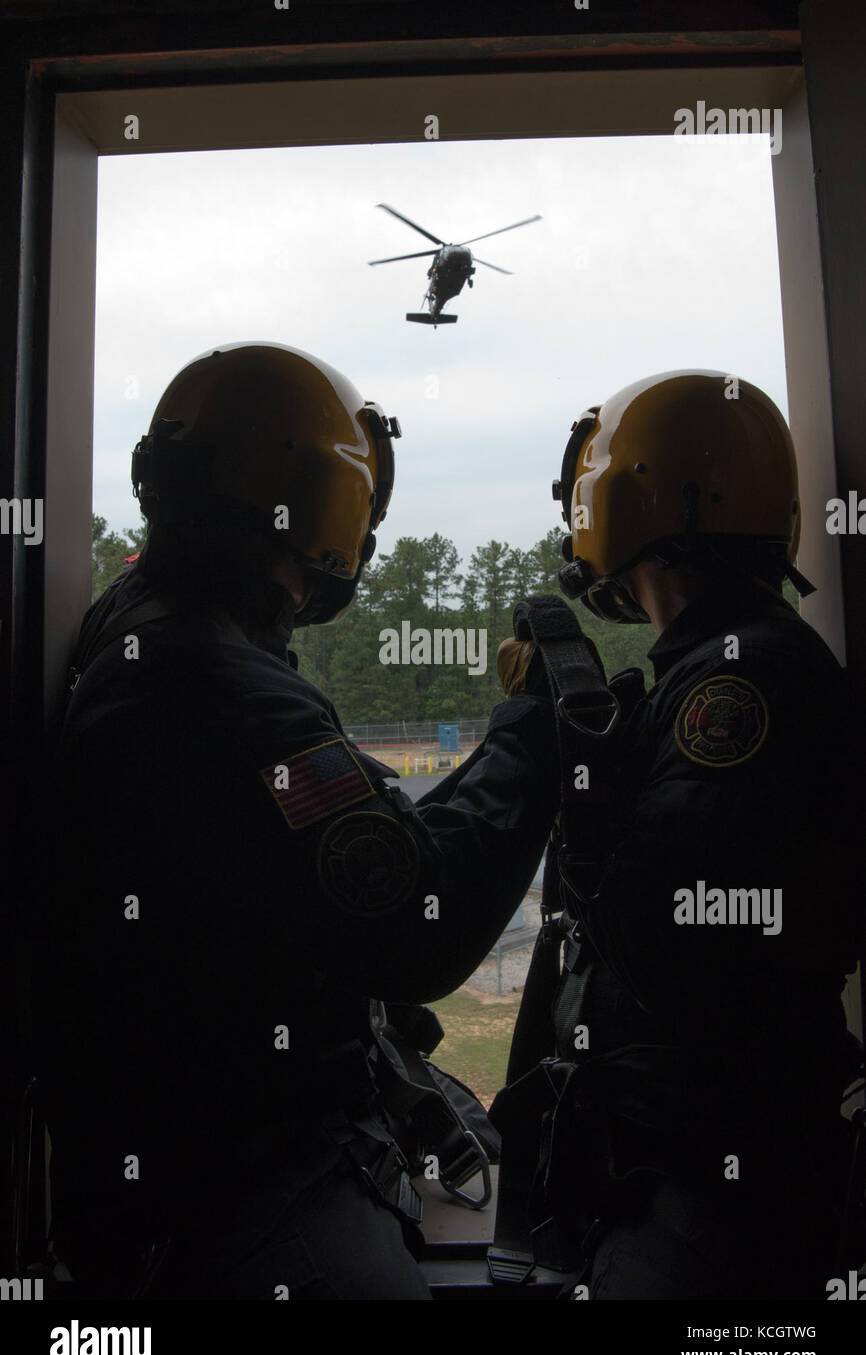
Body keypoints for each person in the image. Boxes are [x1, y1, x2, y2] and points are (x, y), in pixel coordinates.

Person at [35, 341, 560, 1300]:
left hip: (167, 1193)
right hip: (259, 1203)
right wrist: (539, 730)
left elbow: (370, 857)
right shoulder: (230, 687)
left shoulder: (141, 628)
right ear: (323, 498)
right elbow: (415, 920)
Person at [493, 369, 863, 1300]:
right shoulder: (730, 665)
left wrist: (578, 760)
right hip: (697, 1167)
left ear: (626, 503)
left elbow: (661, 936)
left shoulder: (738, 688)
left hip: (710, 1197)